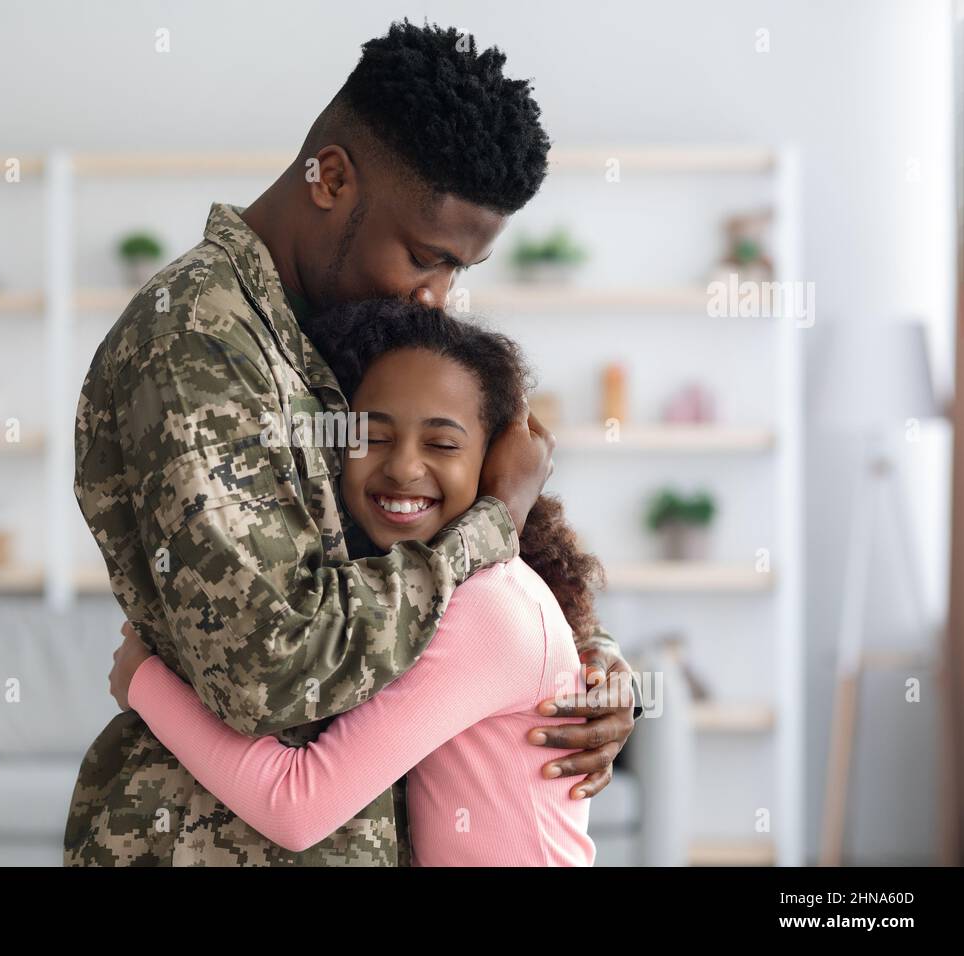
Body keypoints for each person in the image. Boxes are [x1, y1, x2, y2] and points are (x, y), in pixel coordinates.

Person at [66, 19, 637, 867]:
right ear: (330, 178)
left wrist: (577, 666)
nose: (436, 296)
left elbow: (415, 563)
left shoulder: (343, 333)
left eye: (458, 273)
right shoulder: (196, 339)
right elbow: (269, 666)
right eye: (423, 256)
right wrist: (493, 521)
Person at [110, 301, 604, 865]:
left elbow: (297, 805)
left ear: (489, 463)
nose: (402, 467)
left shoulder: (486, 604)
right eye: (373, 435)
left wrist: (142, 680)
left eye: (442, 444)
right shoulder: (389, 585)